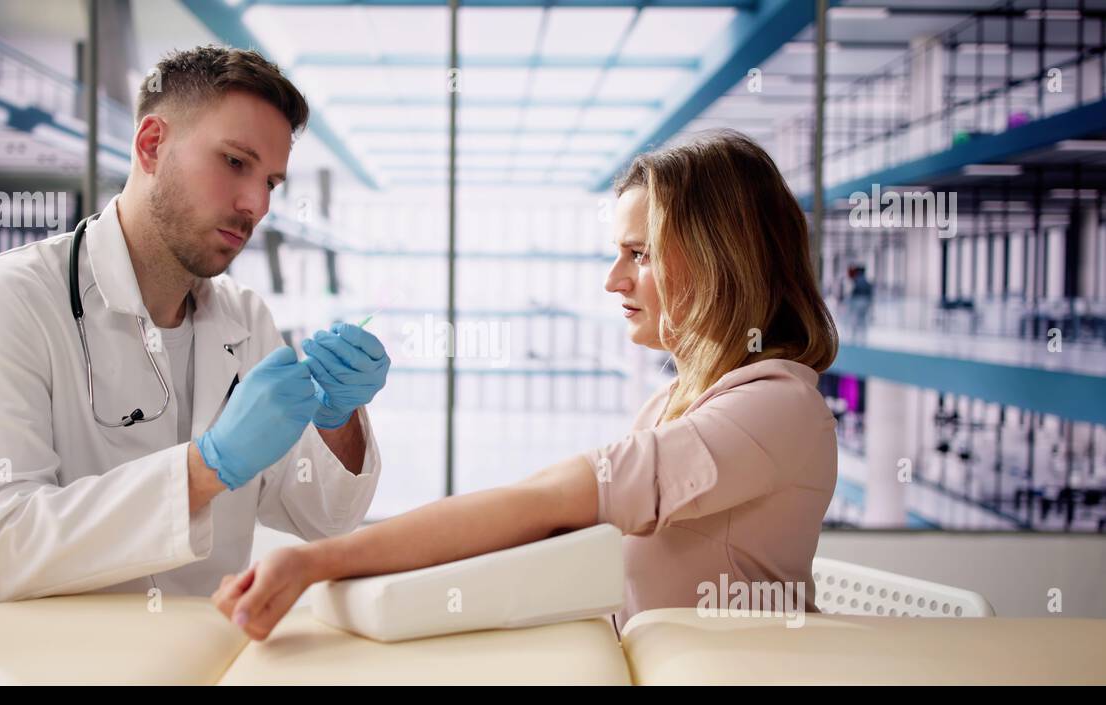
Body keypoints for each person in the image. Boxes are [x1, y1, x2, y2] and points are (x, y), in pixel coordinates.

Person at [212, 129, 840, 640]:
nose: (613, 280)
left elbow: (544, 502)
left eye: (639, 254)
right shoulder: (672, 402)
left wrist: (317, 560)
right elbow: (557, 530)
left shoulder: (775, 408)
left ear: (719, 257)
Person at [0, 46, 389, 602]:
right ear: (151, 145)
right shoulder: (3, 304)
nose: (256, 204)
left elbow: (324, 519)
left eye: (272, 183)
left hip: (201, 657)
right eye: (235, 161)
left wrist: (336, 419)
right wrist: (207, 468)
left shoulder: (246, 320)